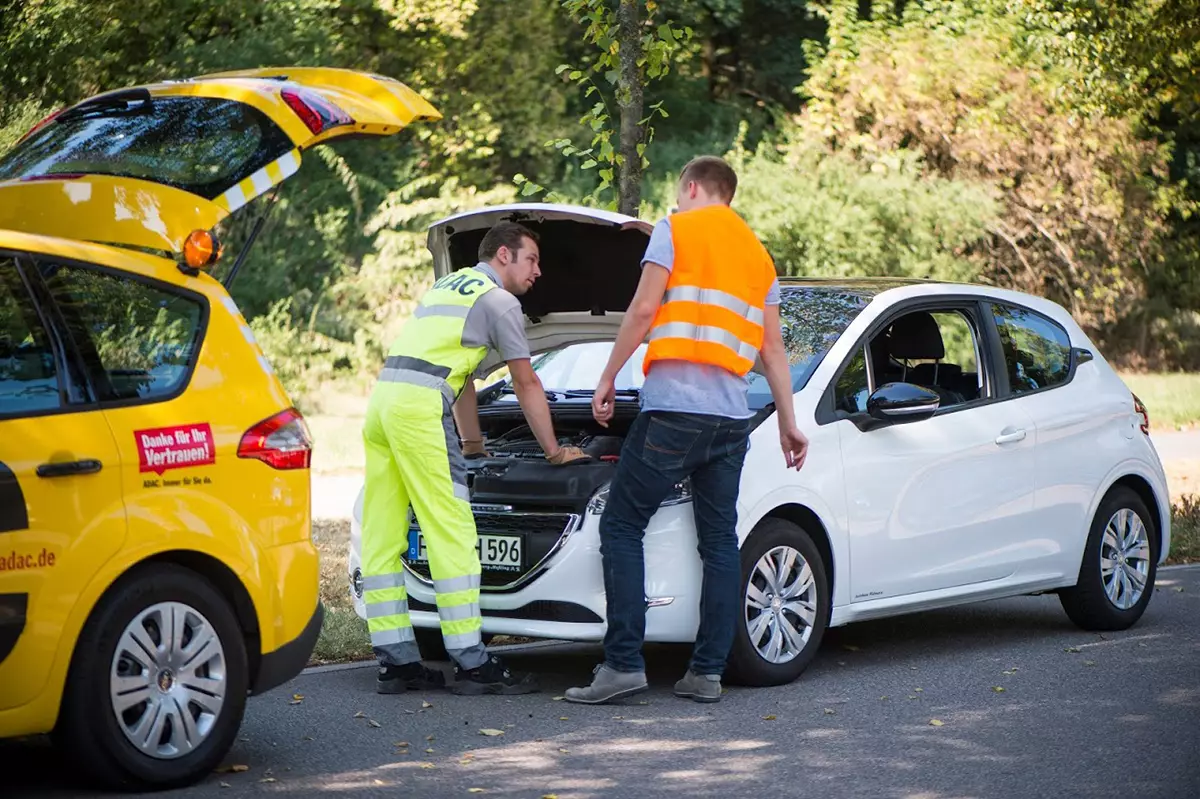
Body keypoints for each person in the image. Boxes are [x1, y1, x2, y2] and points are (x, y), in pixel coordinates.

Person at [564, 156, 809, 705]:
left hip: (673, 411)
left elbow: (645, 307)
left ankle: (623, 663)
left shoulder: (677, 228)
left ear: (692, 187)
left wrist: (607, 376)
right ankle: (706, 673)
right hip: (729, 420)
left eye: (678, 195)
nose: (674, 205)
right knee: (720, 542)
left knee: (622, 526)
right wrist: (789, 423)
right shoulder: (758, 256)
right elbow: (772, 349)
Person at [360, 221, 590, 696]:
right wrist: (553, 450)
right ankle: (471, 662)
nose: (539, 272)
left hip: (382, 405)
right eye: (532, 260)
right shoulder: (500, 302)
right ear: (504, 255)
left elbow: (463, 378)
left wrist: (474, 445)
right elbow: (527, 382)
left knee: (383, 535)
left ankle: (397, 662)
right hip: (421, 411)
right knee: (454, 531)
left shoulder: (448, 286)